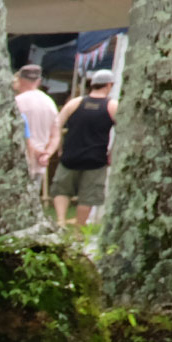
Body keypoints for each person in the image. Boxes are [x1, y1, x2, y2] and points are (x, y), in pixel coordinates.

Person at [54, 68, 118, 226]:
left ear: (93, 84)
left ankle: (61, 221)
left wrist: (59, 147)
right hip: (95, 158)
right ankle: (79, 229)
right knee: (87, 196)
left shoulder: (75, 103)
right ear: (109, 85)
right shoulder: (111, 106)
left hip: (70, 155)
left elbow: (57, 124)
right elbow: (122, 131)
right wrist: (112, 152)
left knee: (62, 189)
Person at [12, 64, 59, 191]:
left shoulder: (15, 103)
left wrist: (34, 151)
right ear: (38, 81)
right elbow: (55, 135)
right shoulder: (50, 103)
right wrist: (46, 153)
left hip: (17, 161)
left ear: (20, 79)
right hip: (40, 162)